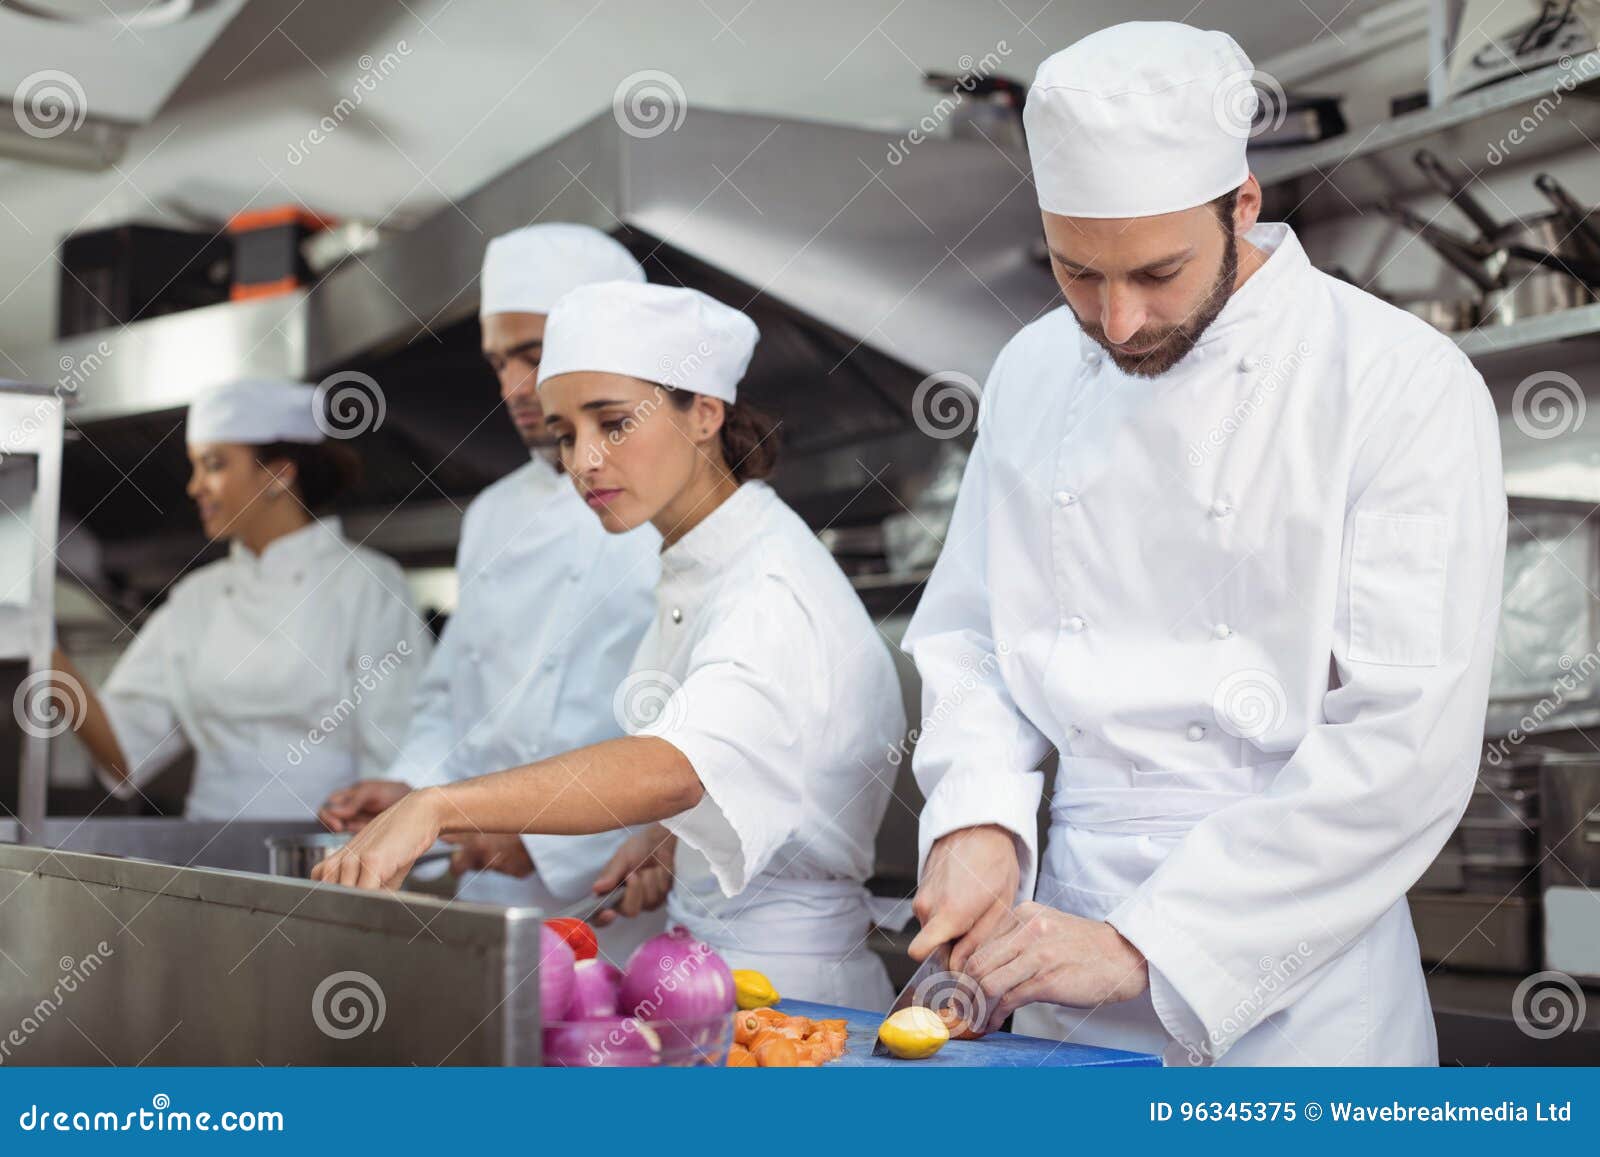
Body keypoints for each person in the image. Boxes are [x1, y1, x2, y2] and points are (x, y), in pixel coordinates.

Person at [903, 21, 1506, 1066]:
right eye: (1075, 272)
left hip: (1295, 994)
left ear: (1242, 205)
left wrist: (1148, 944)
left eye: (1155, 272)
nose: (1118, 318)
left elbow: (1402, 743)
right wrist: (979, 819)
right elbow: (973, 637)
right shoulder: (1033, 368)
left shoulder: (1397, 380)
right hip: (1047, 959)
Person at [314, 282, 904, 1010]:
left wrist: (436, 806)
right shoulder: (699, 561)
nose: (583, 460)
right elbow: (738, 768)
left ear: (705, 414)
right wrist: (674, 842)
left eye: (614, 422)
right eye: (565, 433)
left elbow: (672, 767)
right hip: (712, 978)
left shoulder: (769, 584)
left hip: (791, 999)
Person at [318, 224, 664, 959]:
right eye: (498, 360)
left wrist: (542, 840)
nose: (510, 388)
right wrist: (413, 788)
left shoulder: (673, 512)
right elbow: (454, 694)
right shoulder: (491, 514)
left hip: (625, 913)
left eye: (532, 355)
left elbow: (686, 751)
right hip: (490, 905)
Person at [52, 377, 430, 820]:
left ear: (277, 475)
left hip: (326, 853)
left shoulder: (370, 585)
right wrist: (41, 645)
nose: (195, 487)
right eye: (194, 467)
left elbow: (399, 765)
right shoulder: (197, 597)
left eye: (213, 465)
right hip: (209, 858)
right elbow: (123, 755)